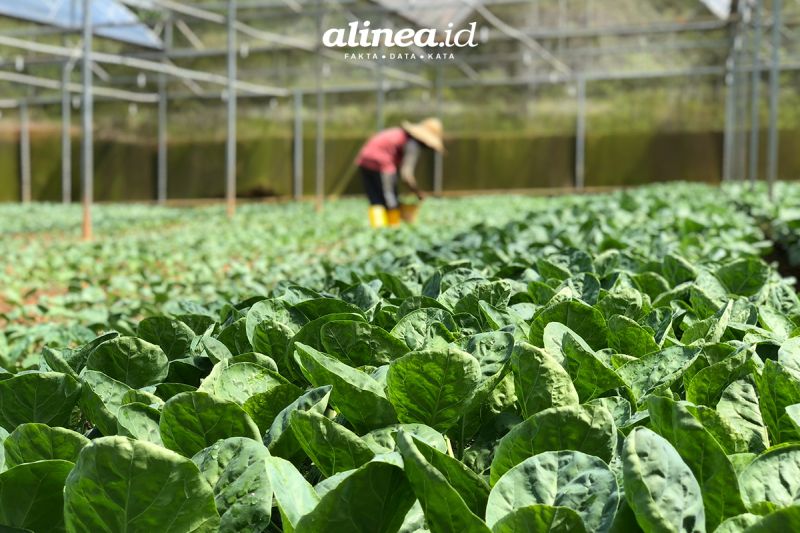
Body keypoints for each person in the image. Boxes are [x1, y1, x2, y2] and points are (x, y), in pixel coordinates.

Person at [355, 117, 444, 227]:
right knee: (390, 198)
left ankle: (377, 231)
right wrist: (417, 192)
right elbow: (406, 175)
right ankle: (393, 229)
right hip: (382, 163)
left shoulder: (400, 134)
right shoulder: (412, 144)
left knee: (375, 199)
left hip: (364, 160)